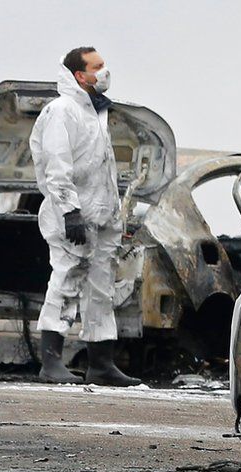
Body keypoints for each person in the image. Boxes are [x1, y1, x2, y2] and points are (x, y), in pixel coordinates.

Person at [28, 47, 140, 386]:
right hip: (73, 215)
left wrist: (113, 215)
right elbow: (56, 167)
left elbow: (99, 168)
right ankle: (51, 362)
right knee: (65, 281)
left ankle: (101, 363)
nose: (104, 72)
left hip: (102, 216)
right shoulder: (62, 111)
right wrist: (69, 211)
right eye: (98, 66)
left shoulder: (94, 112)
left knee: (102, 287)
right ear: (80, 75)